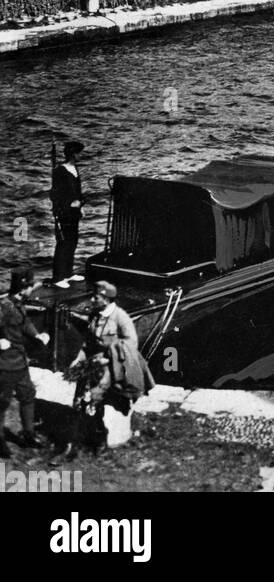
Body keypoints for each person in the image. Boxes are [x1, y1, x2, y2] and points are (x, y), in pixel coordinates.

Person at [63, 281, 154, 459]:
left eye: (95, 297)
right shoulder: (95, 315)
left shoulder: (121, 318)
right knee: (80, 401)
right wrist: (78, 359)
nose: (92, 300)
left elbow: (130, 345)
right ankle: (78, 441)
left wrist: (108, 358)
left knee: (94, 399)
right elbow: (88, 342)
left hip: (113, 367)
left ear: (106, 299)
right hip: (93, 364)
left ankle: (99, 441)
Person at [0, 266, 50, 457]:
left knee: (28, 395)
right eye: (30, 286)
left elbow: (25, 322)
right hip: (5, 365)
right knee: (2, 402)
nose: (32, 289)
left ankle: (29, 434)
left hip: (20, 362)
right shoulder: (4, 307)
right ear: (23, 288)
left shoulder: (19, 303)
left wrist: (37, 335)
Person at [51, 140, 85, 288]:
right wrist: (69, 204)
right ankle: (58, 277)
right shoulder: (60, 171)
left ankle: (68, 273)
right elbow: (55, 194)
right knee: (63, 243)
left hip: (74, 212)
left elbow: (77, 191)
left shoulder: (74, 168)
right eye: (79, 153)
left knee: (73, 241)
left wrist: (80, 206)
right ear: (73, 154)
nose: (80, 156)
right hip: (64, 212)